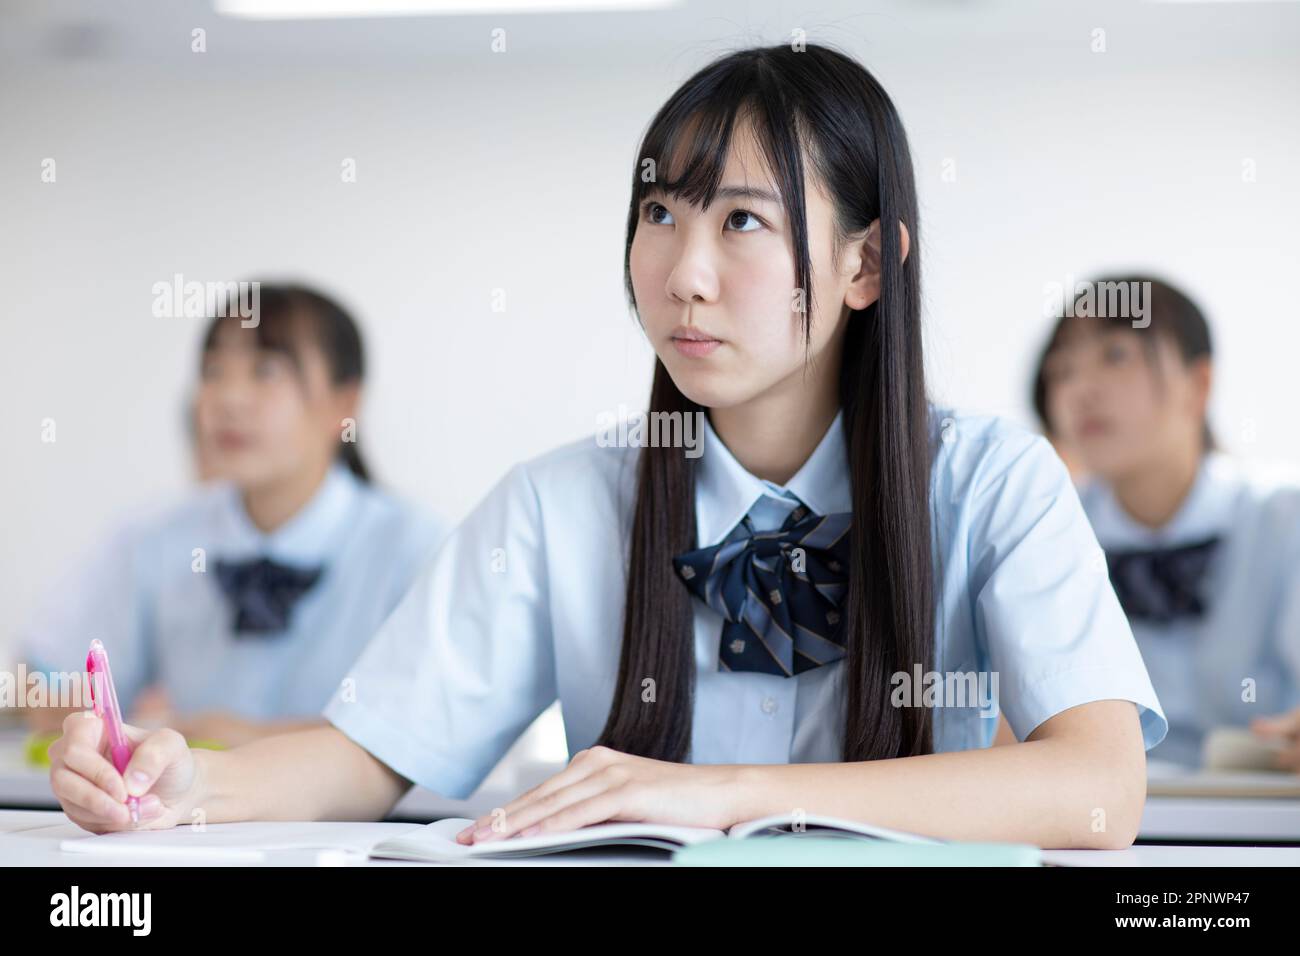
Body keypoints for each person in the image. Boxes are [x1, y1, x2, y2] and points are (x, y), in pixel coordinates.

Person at [50, 45, 1164, 848]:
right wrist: (181, 781)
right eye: (660, 214)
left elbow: (1101, 790)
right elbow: (363, 757)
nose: (682, 273)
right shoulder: (557, 504)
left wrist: (722, 794)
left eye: (741, 220)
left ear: (866, 264)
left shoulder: (990, 481)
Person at [22, 284, 445, 747]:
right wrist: (105, 721)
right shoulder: (154, 538)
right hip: (174, 795)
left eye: (265, 371)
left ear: (344, 404)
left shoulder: (414, 549)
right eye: (213, 371)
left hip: (352, 803)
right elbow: (48, 681)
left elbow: (431, 726)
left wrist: (247, 740)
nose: (229, 399)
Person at [1032, 276, 1300, 769]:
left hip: (1270, 808)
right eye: (1062, 371)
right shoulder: (1042, 533)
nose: (1080, 390)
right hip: (1098, 811)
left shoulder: (1283, 522)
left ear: (1198, 384)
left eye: (1116, 355)